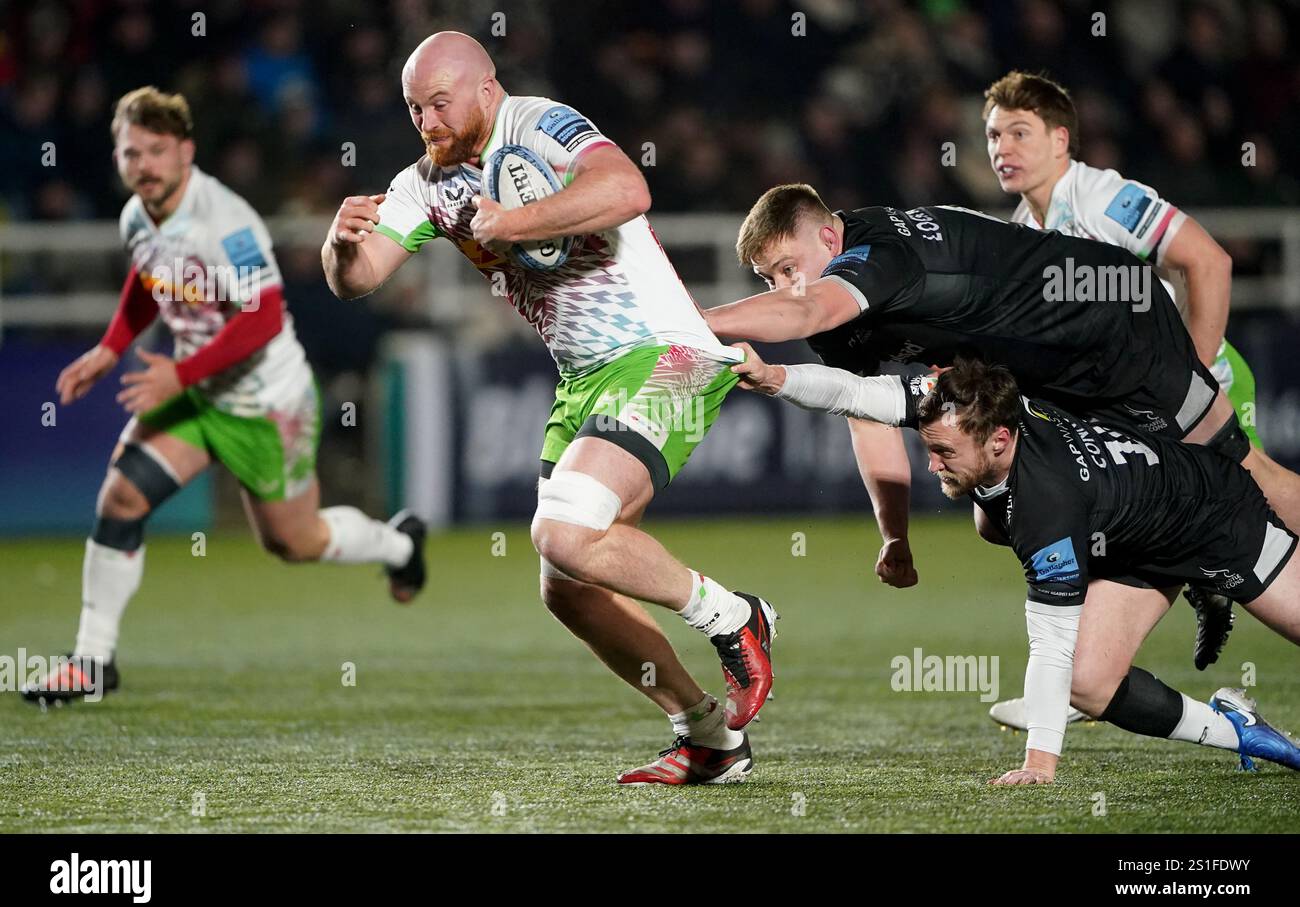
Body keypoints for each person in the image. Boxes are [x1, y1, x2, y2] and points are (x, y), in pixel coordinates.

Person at [320, 32, 777, 785]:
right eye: (414, 108)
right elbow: (361, 276)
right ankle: (707, 736)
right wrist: (341, 247)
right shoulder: (425, 182)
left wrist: (515, 223)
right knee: (564, 584)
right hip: (586, 378)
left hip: (666, 353)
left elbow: (629, 190)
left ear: (486, 92)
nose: (427, 121)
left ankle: (734, 616)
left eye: (440, 102)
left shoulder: (538, 123)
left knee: (564, 530)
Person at [22, 87, 426, 705]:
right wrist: (110, 348)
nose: (144, 166)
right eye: (132, 153)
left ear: (185, 151)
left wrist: (178, 377)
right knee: (123, 495)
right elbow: (146, 274)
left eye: (157, 151)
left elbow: (262, 317)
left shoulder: (225, 220)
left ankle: (400, 543)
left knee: (294, 543)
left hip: (267, 402)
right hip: (195, 388)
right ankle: (93, 660)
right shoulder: (139, 215)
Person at [730, 346, 1300, 782]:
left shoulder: (1041, 508)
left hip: (1217, 517)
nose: (932, 466)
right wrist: (774, 377)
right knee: (1089, 683)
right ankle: (1238, 730)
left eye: (944, 453)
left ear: (1001, 441)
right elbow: (854, 394)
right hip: (1136, 536)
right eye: (929, 448)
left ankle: (1208, 585)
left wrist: (1039, 763)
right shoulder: (967, 405)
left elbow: (1050, 642)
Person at [704, 185, 1300, 590]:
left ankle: (1197, 572)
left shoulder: (880, 255)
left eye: (788, 269)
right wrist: (896, 535)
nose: (784, 285)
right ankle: (1184, 578)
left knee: (1240, 467)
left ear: (829, 241)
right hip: (1046, 372)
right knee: (999, 516)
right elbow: (867, 415)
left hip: (1113, 323)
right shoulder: (842, 315)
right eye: (770, 278)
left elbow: (803, 313)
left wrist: (693, 319)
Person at [982, 73, 1270, 726]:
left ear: (1061, 140)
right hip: (1138, 412)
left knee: (1266, 517)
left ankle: (1103, 659)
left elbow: (1209, 263)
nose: (1003, 147)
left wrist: (1191, 387)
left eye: (1019, 132)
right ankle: (1088, 671)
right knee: (1065, 509)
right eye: (994, 135)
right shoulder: (1024, 229)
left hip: (1205, 390)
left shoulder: (1103, 196)